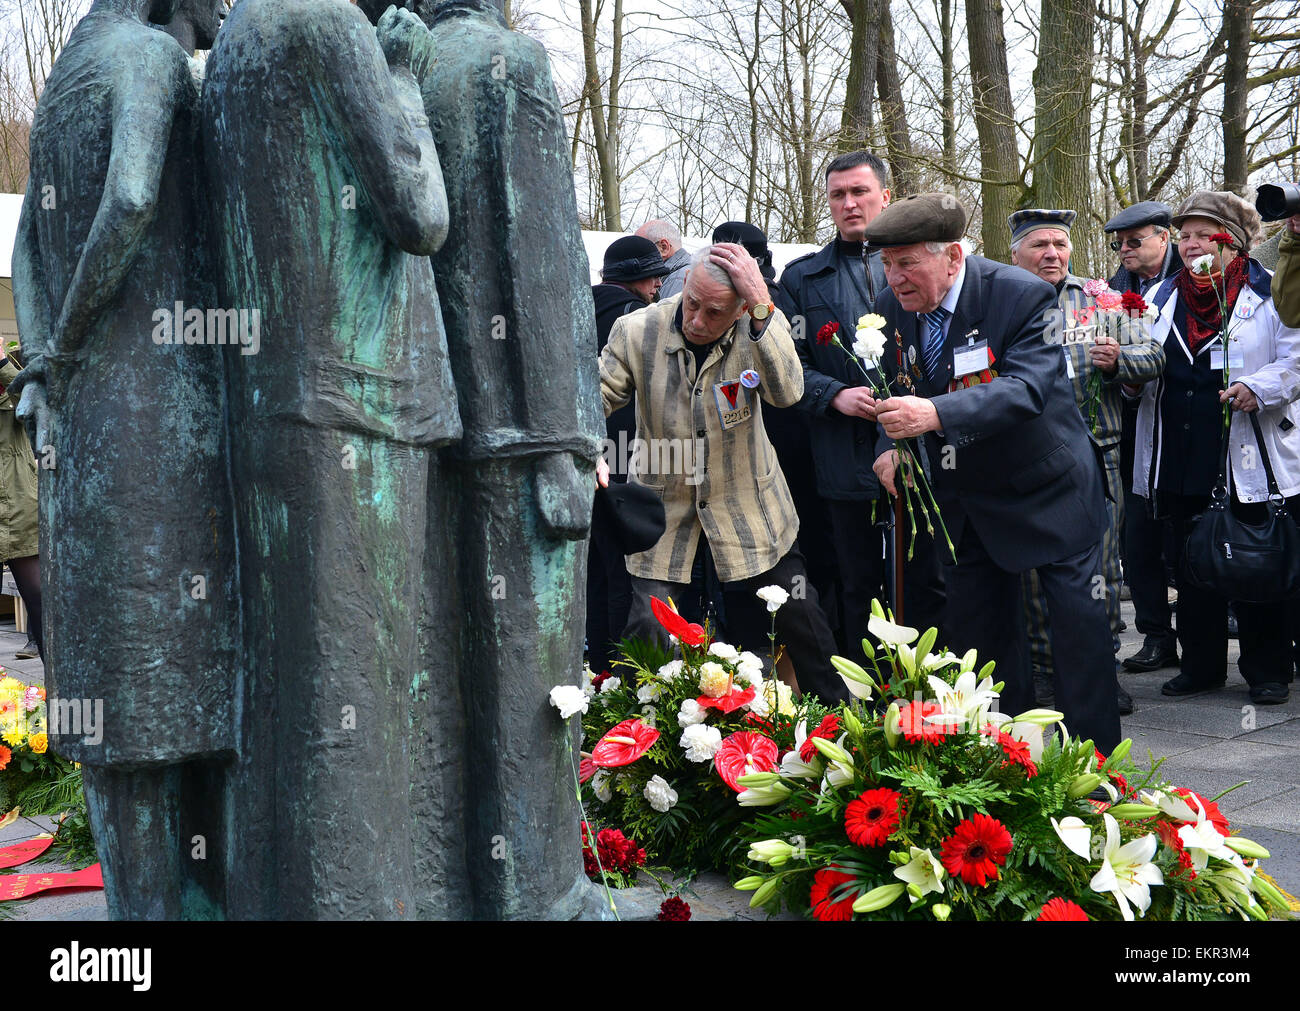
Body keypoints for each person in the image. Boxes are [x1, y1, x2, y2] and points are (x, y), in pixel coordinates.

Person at [12, 0, 237, 919]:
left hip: (84, 413)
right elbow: (134, 194)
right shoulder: (147, 58)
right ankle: (170, 905)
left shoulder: (63, 82)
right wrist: (67, 345)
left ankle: (138, 903)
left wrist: (43, 366)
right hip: (154, 403)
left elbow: (29, 245)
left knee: (110, 655)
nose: (220, 10)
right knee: (170, 657)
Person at [864, 193, 1121, 753]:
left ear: (952, 257)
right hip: (966, 499)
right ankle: (1008, 762)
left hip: (1048, 488)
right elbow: (895, 387)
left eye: (907, 262)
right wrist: (891, 445)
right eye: (886, 264)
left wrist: (934, 414)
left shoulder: (1021, 294)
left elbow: (1027, 389)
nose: (895, 278)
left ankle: (1098, 772)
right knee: (983, 644)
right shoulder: (889, 305)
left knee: (1078, 636)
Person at [599, 243, 846, 704]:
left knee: (799, 615)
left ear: (738, 311)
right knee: (648, 626)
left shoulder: (757, 330)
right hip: (662, 504)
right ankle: (634, 745)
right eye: (692, 302)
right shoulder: (635, 330)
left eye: (713, 312)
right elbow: (595, 398)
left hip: (750, 502)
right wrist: (590, 444)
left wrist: (762, 308)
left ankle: (844, 728)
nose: (696, 320)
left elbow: (789, 392)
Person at [1130, 190, 1300, 706]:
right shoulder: (1159, 298)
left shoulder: (1270, 293)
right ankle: (1201, 666)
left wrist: (1259, 388)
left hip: (1246, 450)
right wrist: (1125, 377)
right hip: (1178, 450)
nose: (1190, 244)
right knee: (1189, 561)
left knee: (1254, 559)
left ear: (1235, 242)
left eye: (1204, 234)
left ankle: (1267, 669)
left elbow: (1295, 362)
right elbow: (1139, 364)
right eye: (1183, 235)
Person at [779, 151, 944, 666]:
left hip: (919, 453)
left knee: (927, 581)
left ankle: (931, 698)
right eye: (838, 195)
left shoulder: (923, 261)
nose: (850, 204)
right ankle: (863, 698)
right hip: (840, 458)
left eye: (860, 192)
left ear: (886, 195)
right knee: (855, 586)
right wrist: (834, 394)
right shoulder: (803, 279)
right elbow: (785, 366)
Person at [1007, 208, 1165, 717]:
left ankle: (1101, 669)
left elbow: (1156, 354)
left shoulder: (1101, 299)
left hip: (1098, 456)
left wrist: (1121, 360)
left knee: (1102, 568)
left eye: (1059, 244)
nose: (1052, 253)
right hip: (1026, 463)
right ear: (1016, 254)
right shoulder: (1000, 301)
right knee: (1032, 572)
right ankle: (1044, 673)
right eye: (1039, 245)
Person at [1105, 201, 1183, 674]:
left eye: (1135, 241)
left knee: (1186, 530)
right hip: (1133, 421)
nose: (1125, 250)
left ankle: (1207, 627)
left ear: (1163, 238)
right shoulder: (1115, 288)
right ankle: (1156, 633)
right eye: (1118, 243)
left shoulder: (1193, 282)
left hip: (1183, 418)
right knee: (1137, 533)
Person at [588, 235, 668, 675]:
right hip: (629, 463)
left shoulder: (574, 306)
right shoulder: (642, 320)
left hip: (584, 458)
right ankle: (622, 678)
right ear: (639, 278)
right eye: (654, 276)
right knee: (626, 575)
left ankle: (594, 671)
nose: (658, 286)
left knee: (593, 575)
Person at [0, 347, 41, 662]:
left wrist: (1, 362)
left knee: (39, 598)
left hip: (19, 511)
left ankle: (55, 686)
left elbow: (33, 403)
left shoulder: (14, 388)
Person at [638, 219, 692, 299]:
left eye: (640, 251)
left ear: (664, 247)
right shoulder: (688, 271)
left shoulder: (676, 280)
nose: (636, 259)